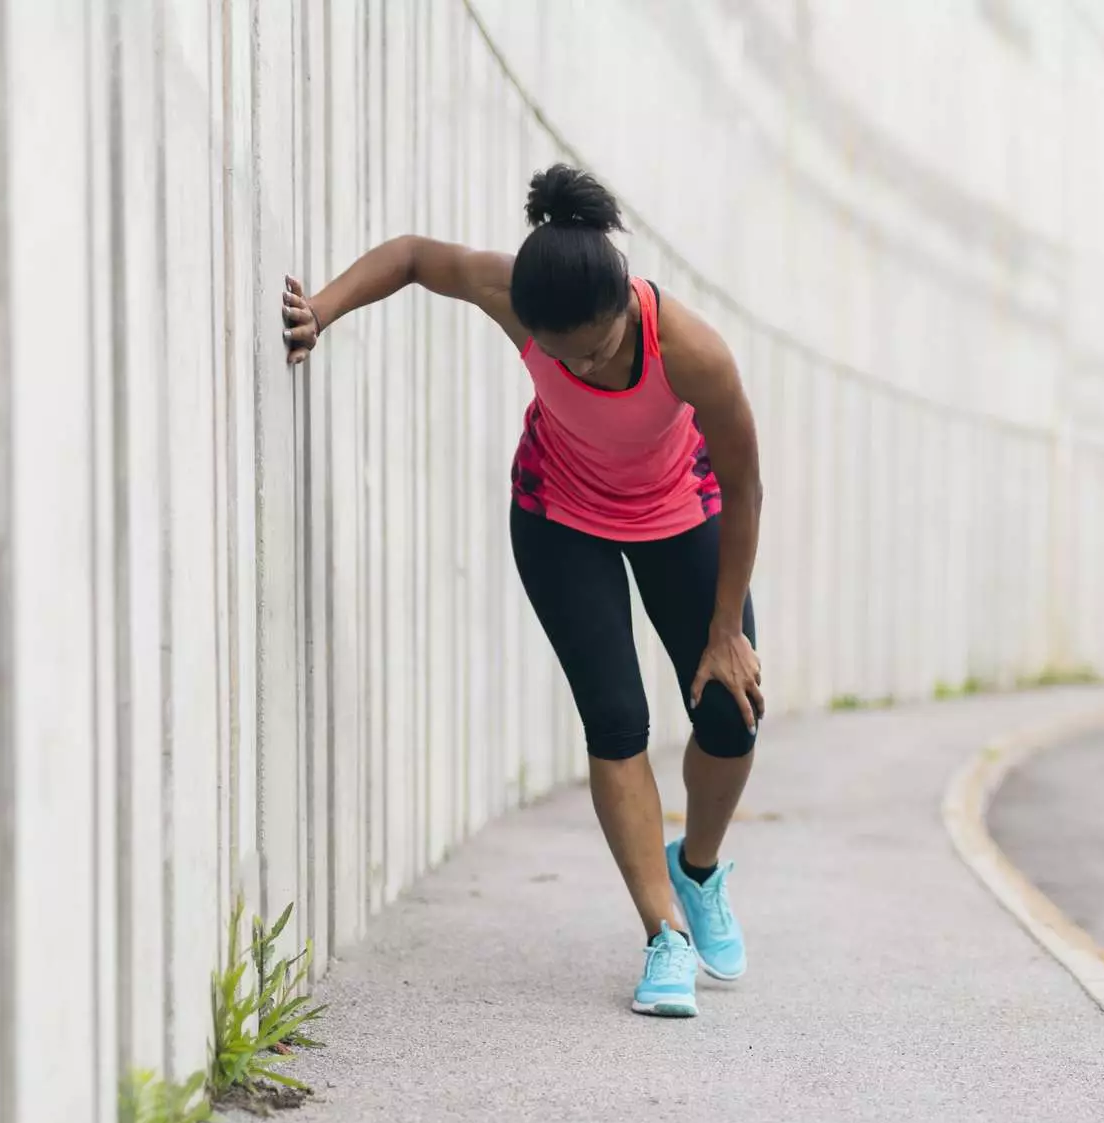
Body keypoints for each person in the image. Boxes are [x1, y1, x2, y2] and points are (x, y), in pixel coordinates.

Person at [281, 164, 763, 1020]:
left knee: (729, 715)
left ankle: (697, 869)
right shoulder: (512, 292)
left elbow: (746, 481)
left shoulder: (690, 349)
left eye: (601, 347)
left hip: (680, 513)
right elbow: (413, 258)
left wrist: (727, 627)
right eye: (567, 352)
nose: (585, 362)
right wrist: (323, 306)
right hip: (560, 516)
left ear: (627, 310)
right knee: (616, 721)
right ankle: (664, 938)